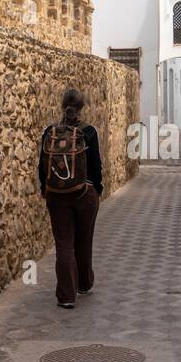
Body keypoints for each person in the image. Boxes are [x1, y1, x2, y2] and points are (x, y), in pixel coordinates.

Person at [37, 88, 103, 309]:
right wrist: (97, 190)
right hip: (84, 194)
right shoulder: (89, 132)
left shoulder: (49, 132)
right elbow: (96, 167)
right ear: (82, 107)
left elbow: (42, 165)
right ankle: (83, 283)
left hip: (57, 197)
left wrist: (46, 189)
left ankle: (66, 295)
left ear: (62, 105)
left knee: (64, 243)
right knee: (84, 240)